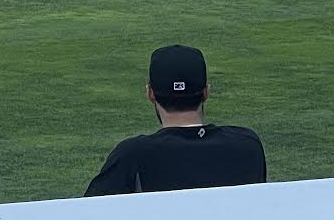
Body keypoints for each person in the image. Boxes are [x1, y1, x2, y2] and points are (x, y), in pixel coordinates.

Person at [84, 45, 266, 197]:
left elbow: (87, 213)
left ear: (150, 94)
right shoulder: (247, 145)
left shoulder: (132, 155)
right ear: (206, 92)